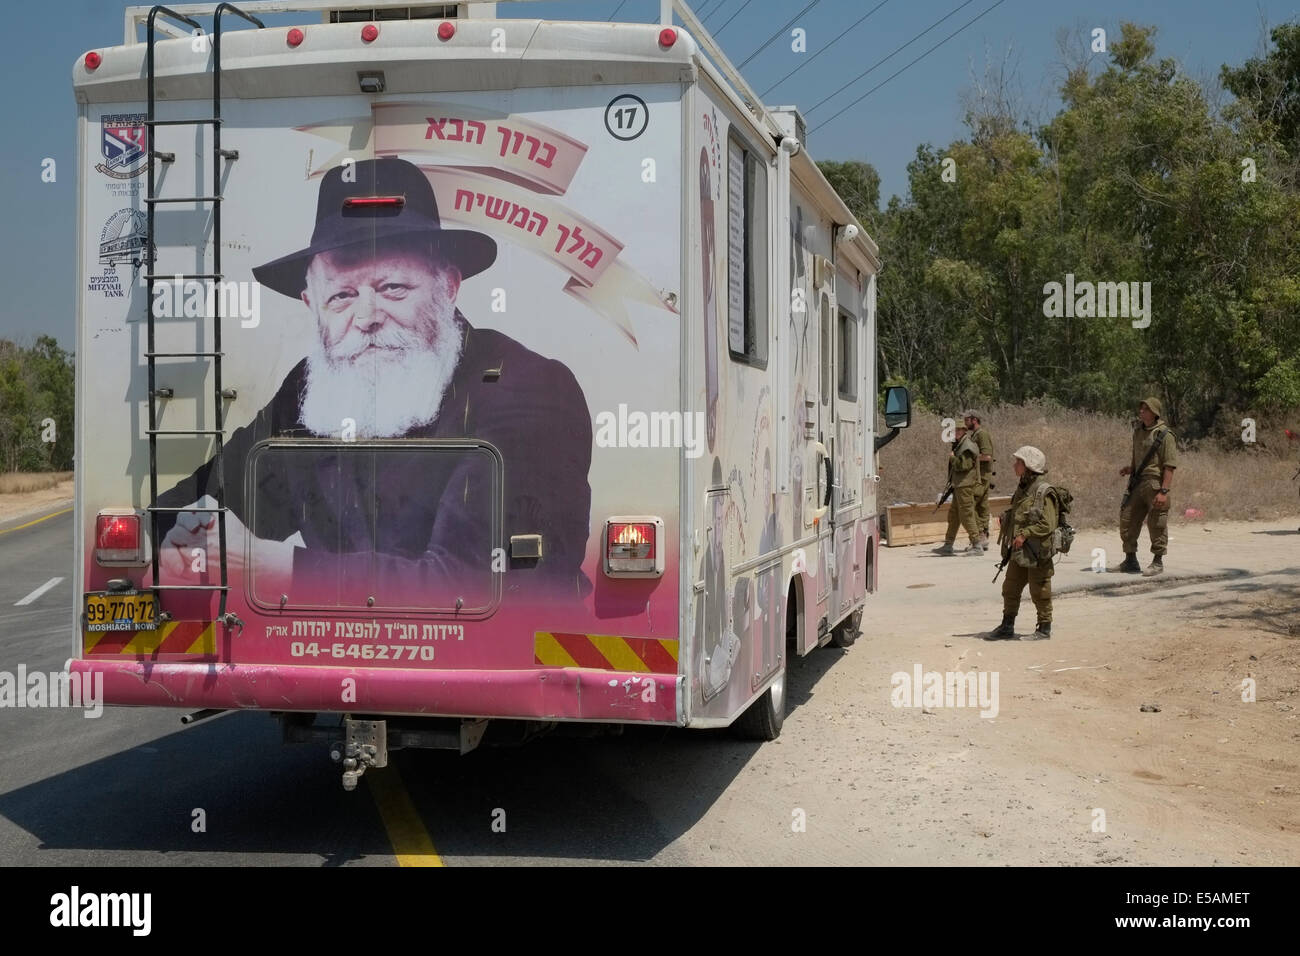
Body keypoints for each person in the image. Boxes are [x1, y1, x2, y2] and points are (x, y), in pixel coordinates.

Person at [154, 157, 593, 608]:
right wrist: (189, 532)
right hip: (325, 661)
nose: (366, 318)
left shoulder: (531, 391)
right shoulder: (312, 390)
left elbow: (482, 585)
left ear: (449, 286)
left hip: (493, 667)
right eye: (342, 296)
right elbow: (203, 501)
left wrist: (272, 567)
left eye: (392, 289)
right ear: (312, 304)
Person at [987, 446, 1058, 641]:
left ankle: (1044, 629)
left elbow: (1048, 524)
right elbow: (1020, 513)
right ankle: (1007, 626)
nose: (1014, 465)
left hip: (1037, 551)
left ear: (1029, 466)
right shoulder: (1023, 487)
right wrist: (1007, 517)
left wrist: (1025, 534)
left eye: (1018, 462)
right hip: (1019, 550)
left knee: (1039, 590)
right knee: (1010, 587)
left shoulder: (1044, 491)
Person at [1118, 396, 1177, 576]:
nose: (1141, 411)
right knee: (1127, 519)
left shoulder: (1165, 435)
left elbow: (1169, 465)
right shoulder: (1138, 432)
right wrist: (1131, 469)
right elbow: (1139, 458)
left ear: (1155, 412)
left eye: (1146, 409)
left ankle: (1157, 562)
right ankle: (1130, 560)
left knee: (1157, 522)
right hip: (1137, 482)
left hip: (1155, 484)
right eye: (1141, 408)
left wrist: (1164, 491)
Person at [932, 420, 982, 556]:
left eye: (959, 430)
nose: (956, 432)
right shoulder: (960, 444)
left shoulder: (967, 446)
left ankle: (977, 544)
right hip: (959, 484)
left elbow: (963, 465)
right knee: (954, 516)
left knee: (966, 515)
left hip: (965, 485)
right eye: (955, 430)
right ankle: (948, 545)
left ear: (964, 431)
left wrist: (953, 459)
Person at [964, 409, 994, 549]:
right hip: (980, 476)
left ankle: (980, 534)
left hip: (981, 477)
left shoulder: (981, 434)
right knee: (982, 506)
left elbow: (987, 456)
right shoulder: (975, 434)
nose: (965, 422)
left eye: (967, 420)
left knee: (971, 504)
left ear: (974, 420)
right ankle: (984, 537)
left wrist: (971, 458)